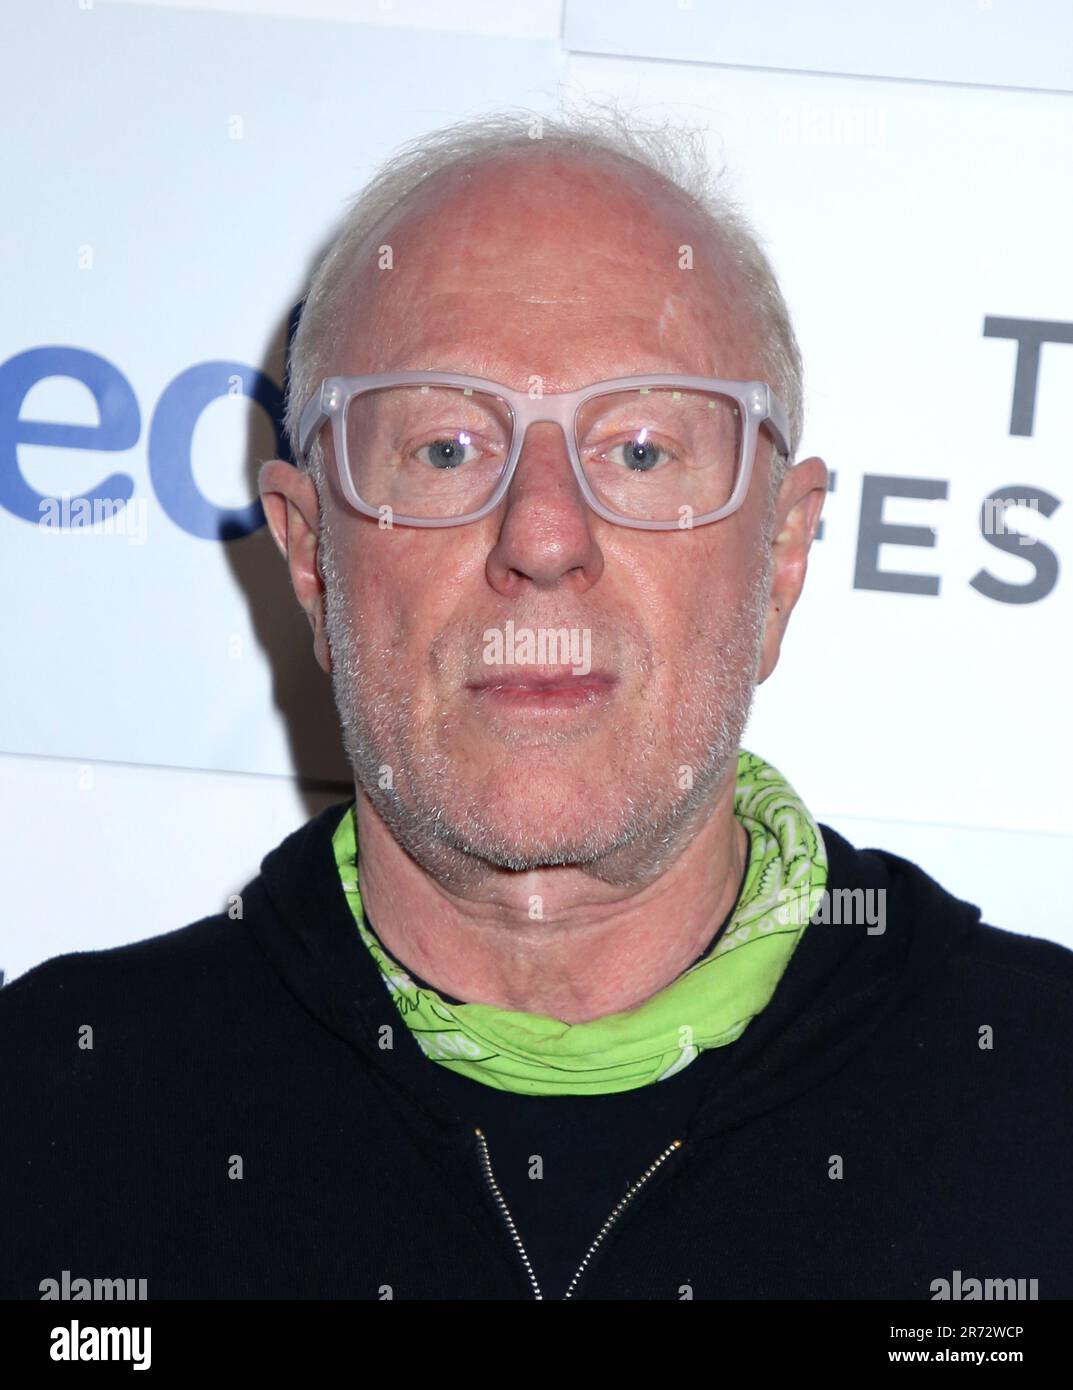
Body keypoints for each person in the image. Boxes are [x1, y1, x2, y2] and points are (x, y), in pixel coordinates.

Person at [3, 108, 1071, 1302]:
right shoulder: (48, 1114)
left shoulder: (1041, 1102)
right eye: (447, 448)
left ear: (780, 556)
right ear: (311, 559)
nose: (544, 537)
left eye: (642, 450)